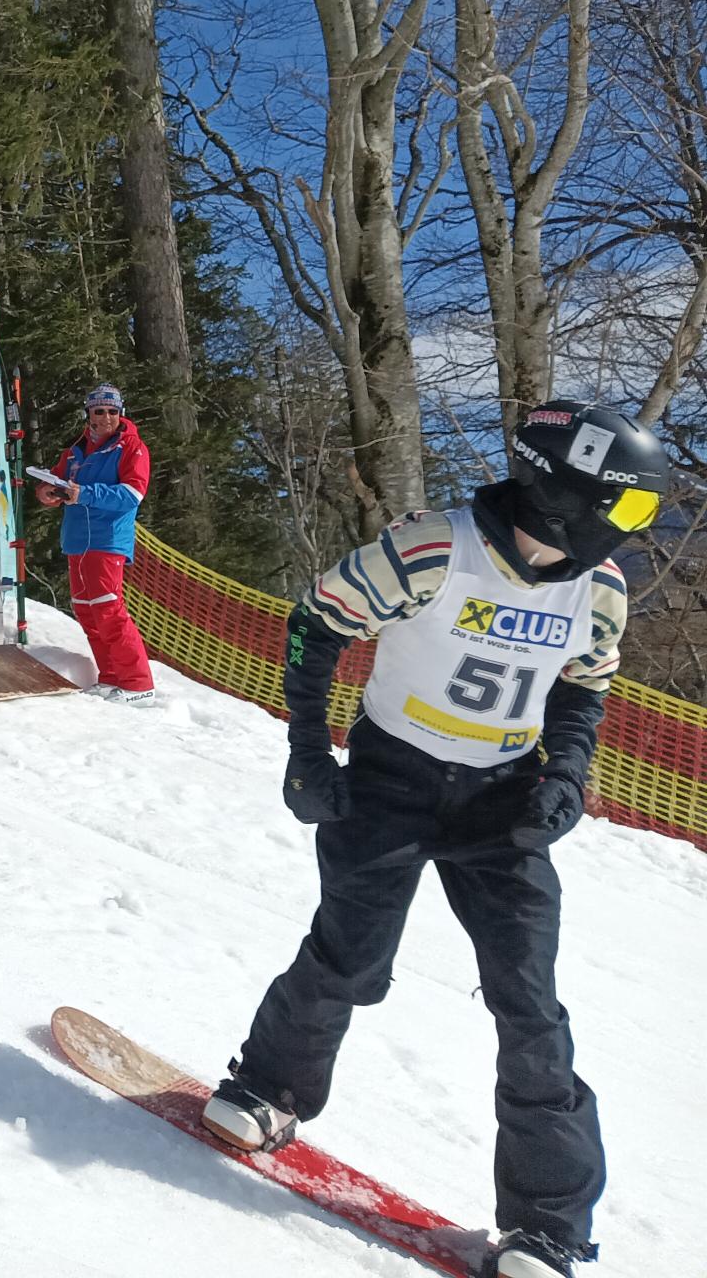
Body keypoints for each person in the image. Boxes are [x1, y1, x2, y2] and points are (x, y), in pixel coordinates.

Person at [199, 401, 665, 1278]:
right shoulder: (433, 550)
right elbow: (316, 624)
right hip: (392, 782)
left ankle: (546, 1223)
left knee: (528, 1002)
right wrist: (309, 752)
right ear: (566, 494)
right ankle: (268, 1087)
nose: (636, 528)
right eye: (631, 506)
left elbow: (582, 687)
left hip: (501, 804)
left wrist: (566, 775)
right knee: (350, 956)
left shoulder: (598, 588)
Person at [33, 382, 154, 701]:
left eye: (113, 411)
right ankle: (111, 676)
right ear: (89, 414)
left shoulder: (131, 447)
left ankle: (138, 684)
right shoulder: (75, 450)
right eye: (99, 411)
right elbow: (57, 481)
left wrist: (84, 493)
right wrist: (47, 493)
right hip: (77, 541)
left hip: (107, 539)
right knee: (87, 611)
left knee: (108, 610)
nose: (106, 417)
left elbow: (132, 495)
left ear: (121, 413)